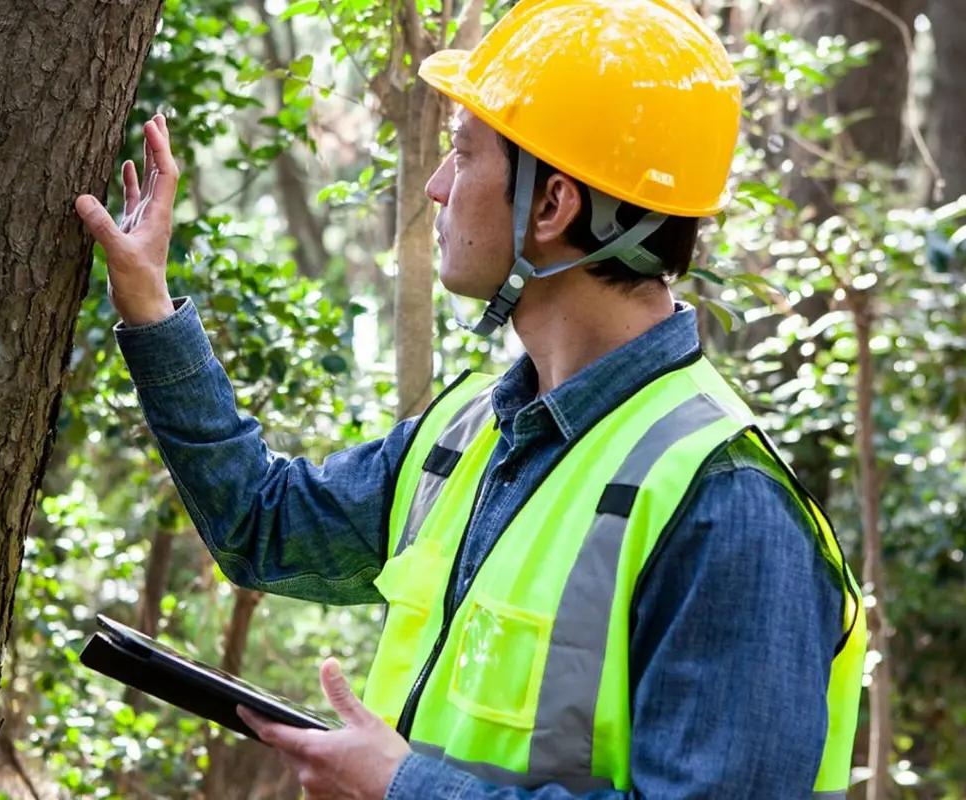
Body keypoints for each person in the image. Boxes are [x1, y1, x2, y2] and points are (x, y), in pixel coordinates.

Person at [74, 0, 867, 797]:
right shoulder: (474, 432)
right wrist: (149, 304)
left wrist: (401, 788)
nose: (436, 185)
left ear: (552, 205)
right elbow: (262, 526)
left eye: (462, 154)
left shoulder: (728, 506)